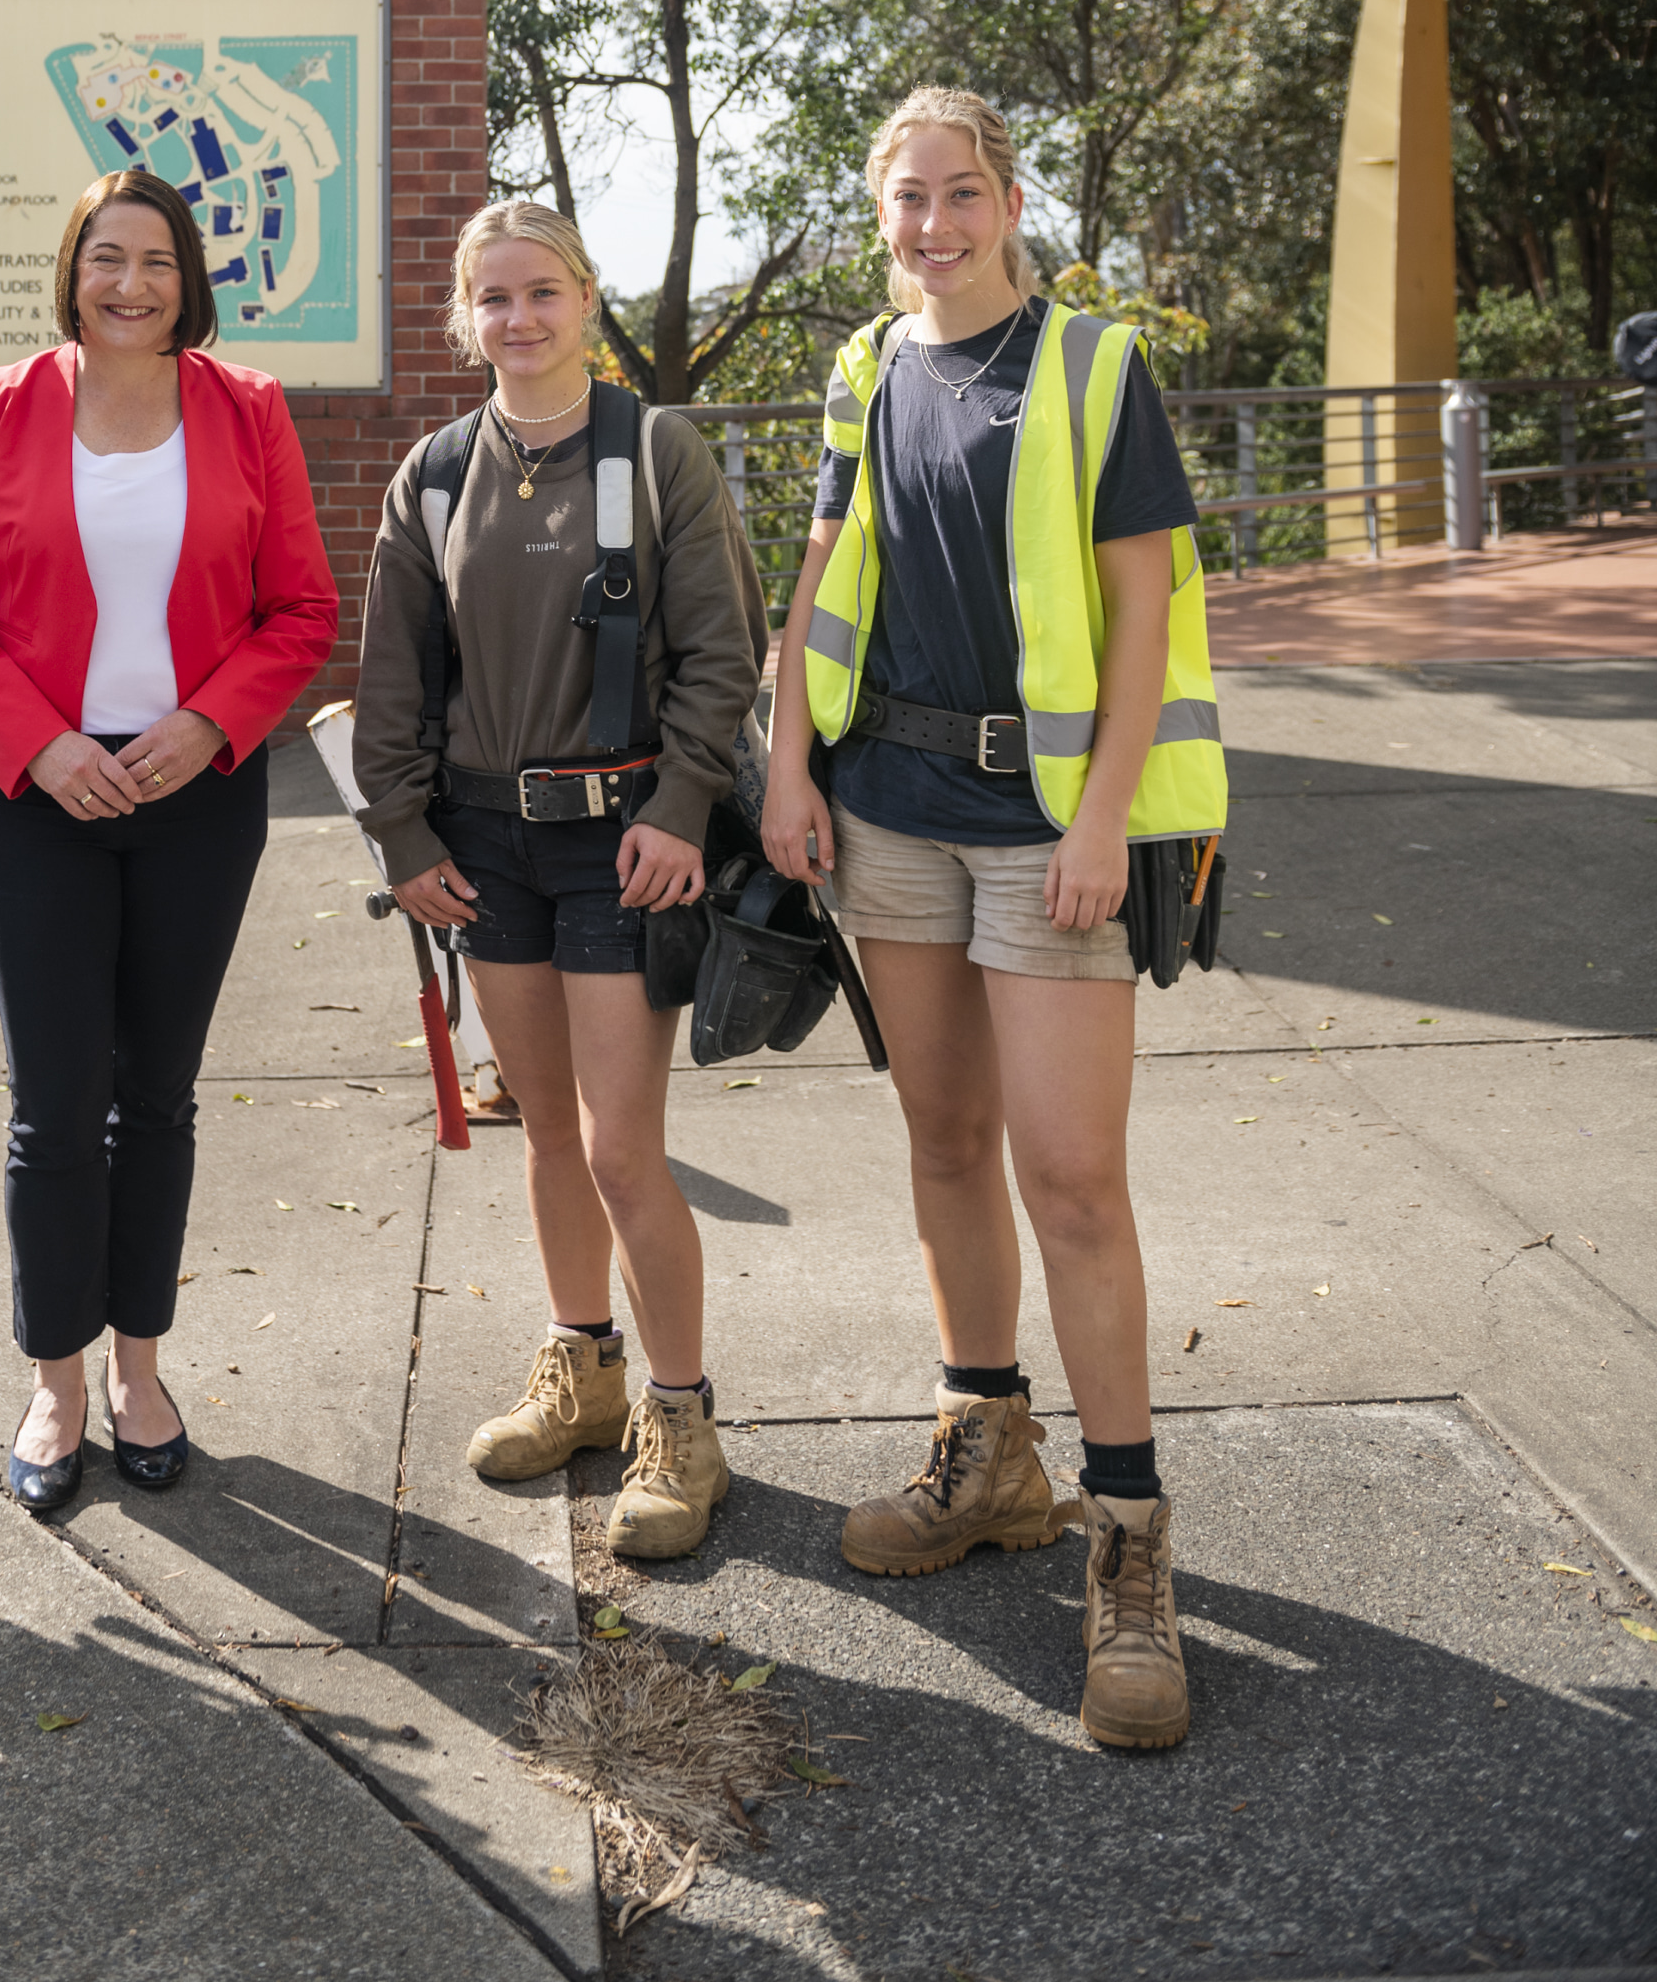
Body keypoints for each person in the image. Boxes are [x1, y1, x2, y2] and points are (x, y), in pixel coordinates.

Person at [764, 86, 1225, 1751]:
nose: (933, 225)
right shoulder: (867, 368)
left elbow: (1144, 606)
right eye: (906, 200)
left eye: (960, 195)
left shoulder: (1094, 366)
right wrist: (782, 764)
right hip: (886, 809)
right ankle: (990, 1449)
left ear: (1009, 200)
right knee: (946, 1141)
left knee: (1074, 1176)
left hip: (1045, 833)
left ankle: (1130, 1542)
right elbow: (821, 569)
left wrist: (1105, 819)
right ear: (877, 213)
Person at [0, 165, 338, 1514]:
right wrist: (42, 745)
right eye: (105, 258)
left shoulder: (249, 409)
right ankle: (57, 1384)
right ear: (72, 271)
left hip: (198, 803)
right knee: (53, 1108)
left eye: (153, 260)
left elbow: (302, 612)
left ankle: (142, 1369)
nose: (130, 284)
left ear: (186, 278)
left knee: (155, 1097)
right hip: (40, 801)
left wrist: (209, 728)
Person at [352, 200, 767, 1561]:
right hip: (485, 850)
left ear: (586, 299)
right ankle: (582, 1369)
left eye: (542, 293)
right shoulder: (433, 474)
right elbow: (396, 677)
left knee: (619, 1147)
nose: (517, 319)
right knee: (543, 1131)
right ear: (464, 316)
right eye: (493, 299)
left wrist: (686, 804)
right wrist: (405, 838)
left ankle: (681, 1414)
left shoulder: (656, 452)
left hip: (624, 845)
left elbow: (722, 649)